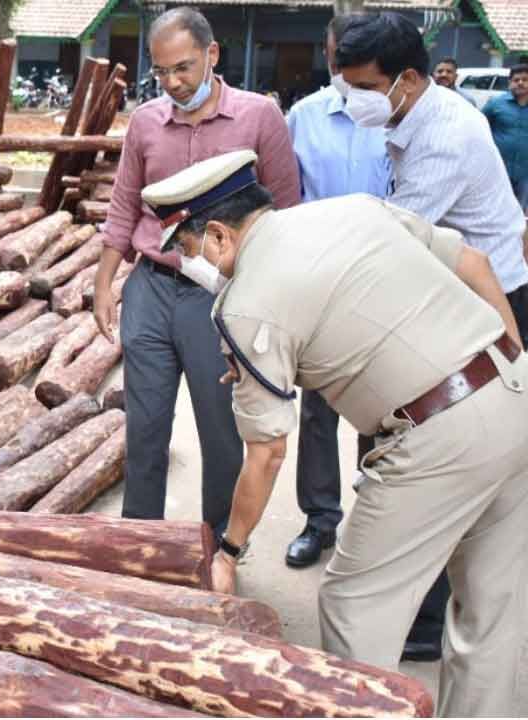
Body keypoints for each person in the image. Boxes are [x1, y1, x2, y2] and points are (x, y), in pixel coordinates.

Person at [144, 149, 527, 718]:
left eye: (188, 248)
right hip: (512, 391)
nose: (191, 262)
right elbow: (472, 261)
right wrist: (513, 359)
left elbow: (269, 451)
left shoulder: (246, 305)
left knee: (354, 602)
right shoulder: (353, 208)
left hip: (436, 437)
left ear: (219, 236)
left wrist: (229, 549)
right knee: (491, 609)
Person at [336, 11, 528, 662]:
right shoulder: (409, 117)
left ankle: (431, 619)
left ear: (409, 79)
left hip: (488, 306)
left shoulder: (445, 133)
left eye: (362, 87)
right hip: (449, 295)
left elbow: (397, 240)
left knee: (446, 458)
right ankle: (426, 607)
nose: (350, 100)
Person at [92, 6, 300, 537]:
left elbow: (286, 213)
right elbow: (123, 208)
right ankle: (141, 545)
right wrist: (103, 285)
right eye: (160, 72)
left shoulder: (258, 118)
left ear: (212, 55)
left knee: (222, 432)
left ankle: (218, 550)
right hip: (152, 291)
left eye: (183, 68)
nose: (172, 83)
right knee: (145, 429)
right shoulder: (145, 122)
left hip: (223, 299)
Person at [282, 13, 390, 570]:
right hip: (321, 288)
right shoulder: (302, 118)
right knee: (318, 412)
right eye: (336, 54)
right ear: (327, 54)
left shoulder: (396, 118)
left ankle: (373, 525)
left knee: (386, 410)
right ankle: (320, 521)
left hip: (388, 286)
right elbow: (287, 201)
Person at [483, 64, 528, 212]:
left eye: (525, 79)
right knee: (494, 211)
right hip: (498, 170)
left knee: (518, 214)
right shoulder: (495, 104)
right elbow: (479, 127)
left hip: (525, 174)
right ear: (510, 83)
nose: (520, 83)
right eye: (516, 80)